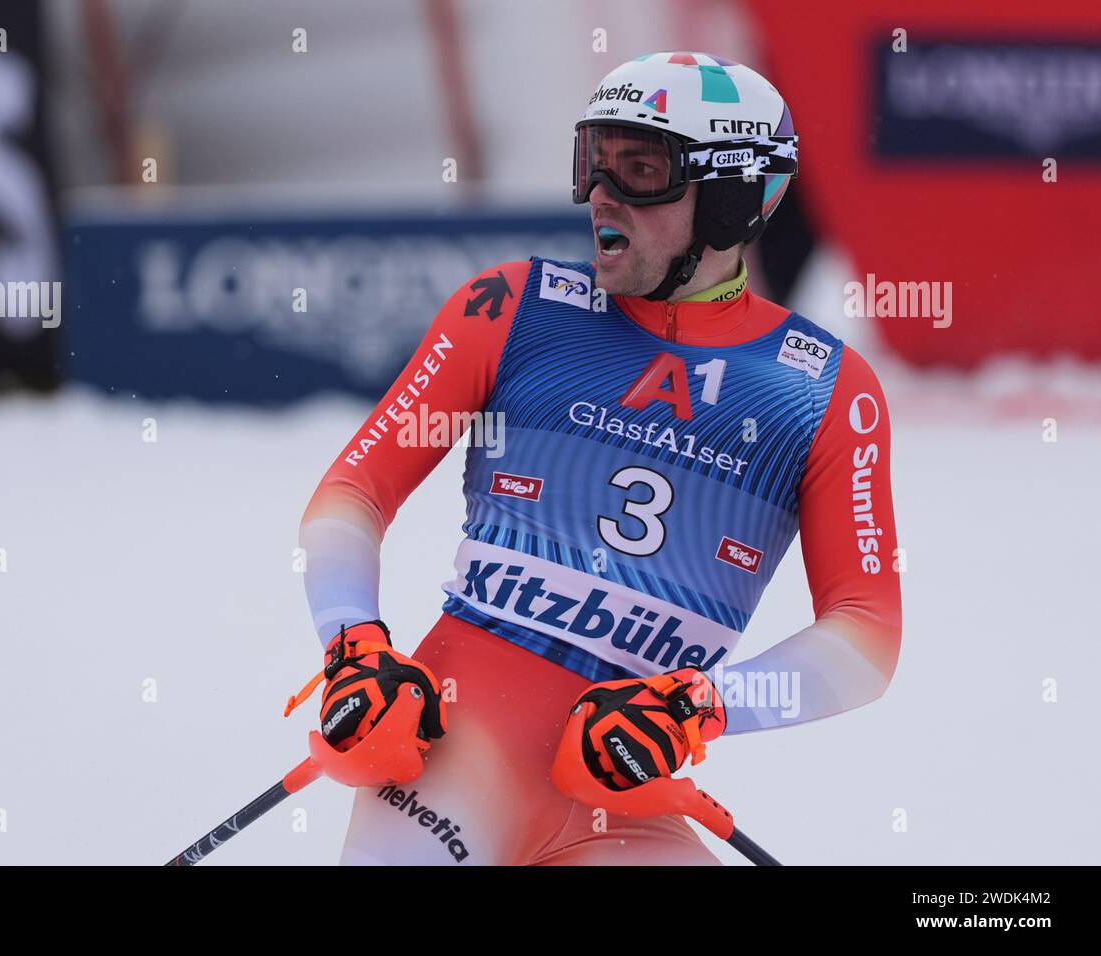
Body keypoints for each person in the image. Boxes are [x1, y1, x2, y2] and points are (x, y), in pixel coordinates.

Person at [296, 51, 901, 865]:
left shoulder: (825, 390)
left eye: (642, 170)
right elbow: (351, 494)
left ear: (734, 202)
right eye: (595, 163)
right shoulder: (511, 306)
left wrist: (700, 708)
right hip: (453, 757)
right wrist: (354, 647)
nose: (602, 197)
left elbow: (866, 639)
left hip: (624, 794)